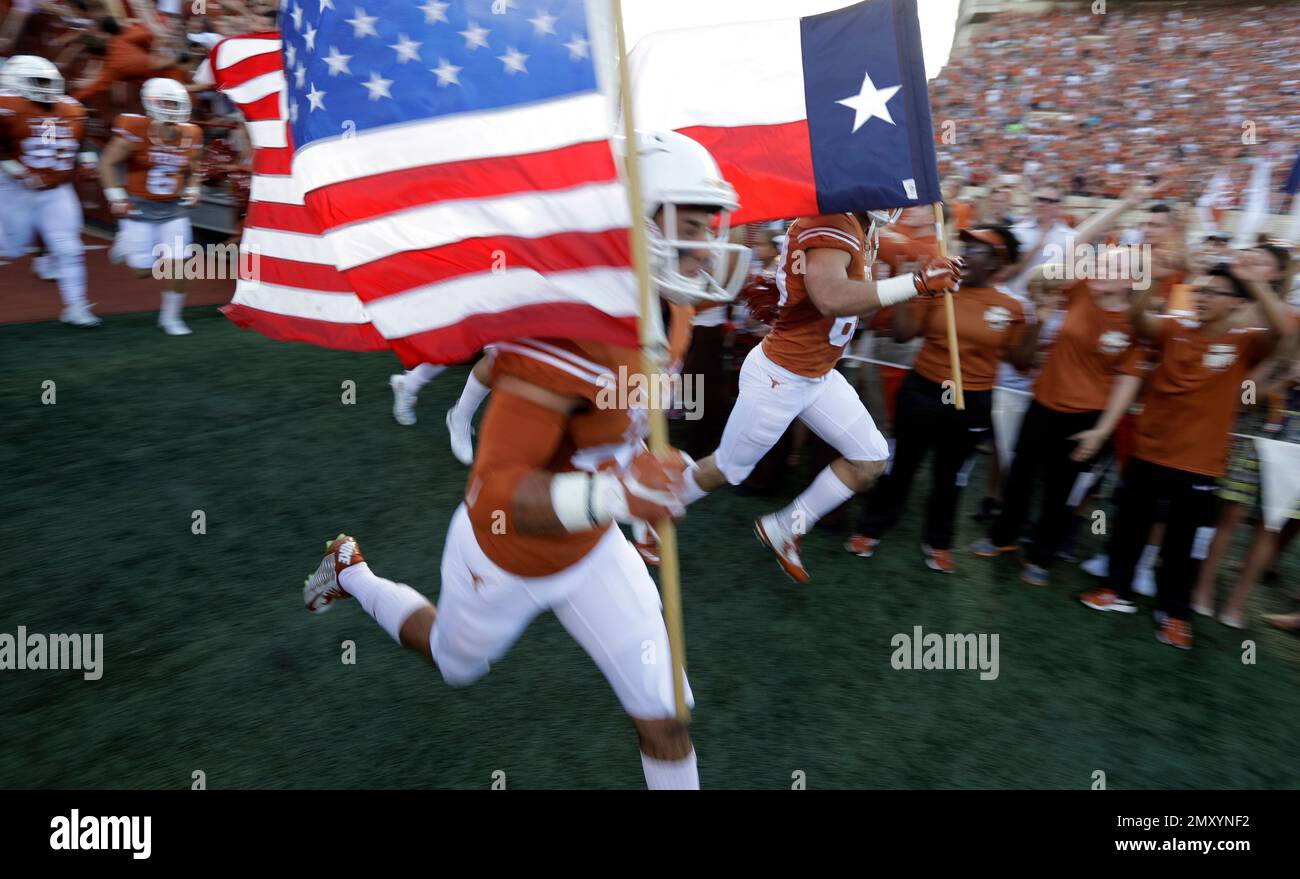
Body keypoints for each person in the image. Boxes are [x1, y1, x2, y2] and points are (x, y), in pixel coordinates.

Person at [301, 131, 748, 790]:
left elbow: (623, 421)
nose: (707, 245)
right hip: (510, 550)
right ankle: (353, 571)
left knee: (666, 717)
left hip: (593, 546)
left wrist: (651, 471)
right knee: (456, 663)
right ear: (630, 219)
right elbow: (493, 494)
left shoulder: (672, 308)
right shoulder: (568, 327)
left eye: (708, 224)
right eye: (689, 224)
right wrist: (620, 496)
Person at [679, 209, 963, 583]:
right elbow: (830, 296)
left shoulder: (865, 225)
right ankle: (653, 506)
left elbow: (846, 298)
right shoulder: (834, 221)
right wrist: (917, 283)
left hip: (818, 373)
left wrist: (921, 283)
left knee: (870, 459)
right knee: (728, 469)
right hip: (780, 375)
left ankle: (786, 526)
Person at [1080, 258, 1293, 650]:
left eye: (1212, 292)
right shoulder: (1175, 328)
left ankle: (1175, 616)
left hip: (1199, 462)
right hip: (1149, 450)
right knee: (1129, 528)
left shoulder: (1245, 342)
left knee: (1183, 544)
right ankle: (1116, 590)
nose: (1202, 297)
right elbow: (1139, 316)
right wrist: (1154, 279)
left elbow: (1284, 336)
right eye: (1200, 290)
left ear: (1233, 303)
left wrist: (1255, 282)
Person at [845, 225, 1031, 574]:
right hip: (923, 389)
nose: (964, 252)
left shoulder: (1012, 307)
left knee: (951, 475)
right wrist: (904, 287)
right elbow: (903, 336)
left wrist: (1041, 319)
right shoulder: (938, 288)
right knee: (901, 465)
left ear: (995, 263)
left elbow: (1021, 362)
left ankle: (939, 542)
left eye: (976, 249)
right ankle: (870, 528)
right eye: (965, 245)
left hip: (971, 399)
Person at [969, 257, 1143, 586]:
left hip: (1086, 417)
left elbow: (1128, 380)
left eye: (1110, 269)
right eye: (1099, 265)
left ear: (1131, 280)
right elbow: (1066, 252)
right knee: (1020, 475)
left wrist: (1102, 430)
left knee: (1060, 490)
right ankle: (1002, 536)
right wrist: (1125, 205)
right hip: (1043, 402)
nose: (1098, 272)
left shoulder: (1135, 322)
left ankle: (1040, 556)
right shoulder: (1080, 291)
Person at [98, 77, 204, 335]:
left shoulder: (192, 133)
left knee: (179, 264)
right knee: (141, 272)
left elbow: (194, 168)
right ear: (151, 103)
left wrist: (192, 188)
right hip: (139, 208)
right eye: (166, 102)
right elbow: (108, 163)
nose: (172, 108)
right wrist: (115, 198)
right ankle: (125, 239)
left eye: (176, 103)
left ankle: (171, 317)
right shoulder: (135, 128)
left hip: (173, 209)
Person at [0, 54, 97, 326]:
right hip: (14, 190)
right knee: (12, 248)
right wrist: (20, 172)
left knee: (69, 248)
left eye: (48, 81)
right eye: (38, 81)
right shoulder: (7, 108)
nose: (45, 88)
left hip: (57, 191)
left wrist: (88, 161)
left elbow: (83, 139)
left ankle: (76, 307)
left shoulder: (70, 109)